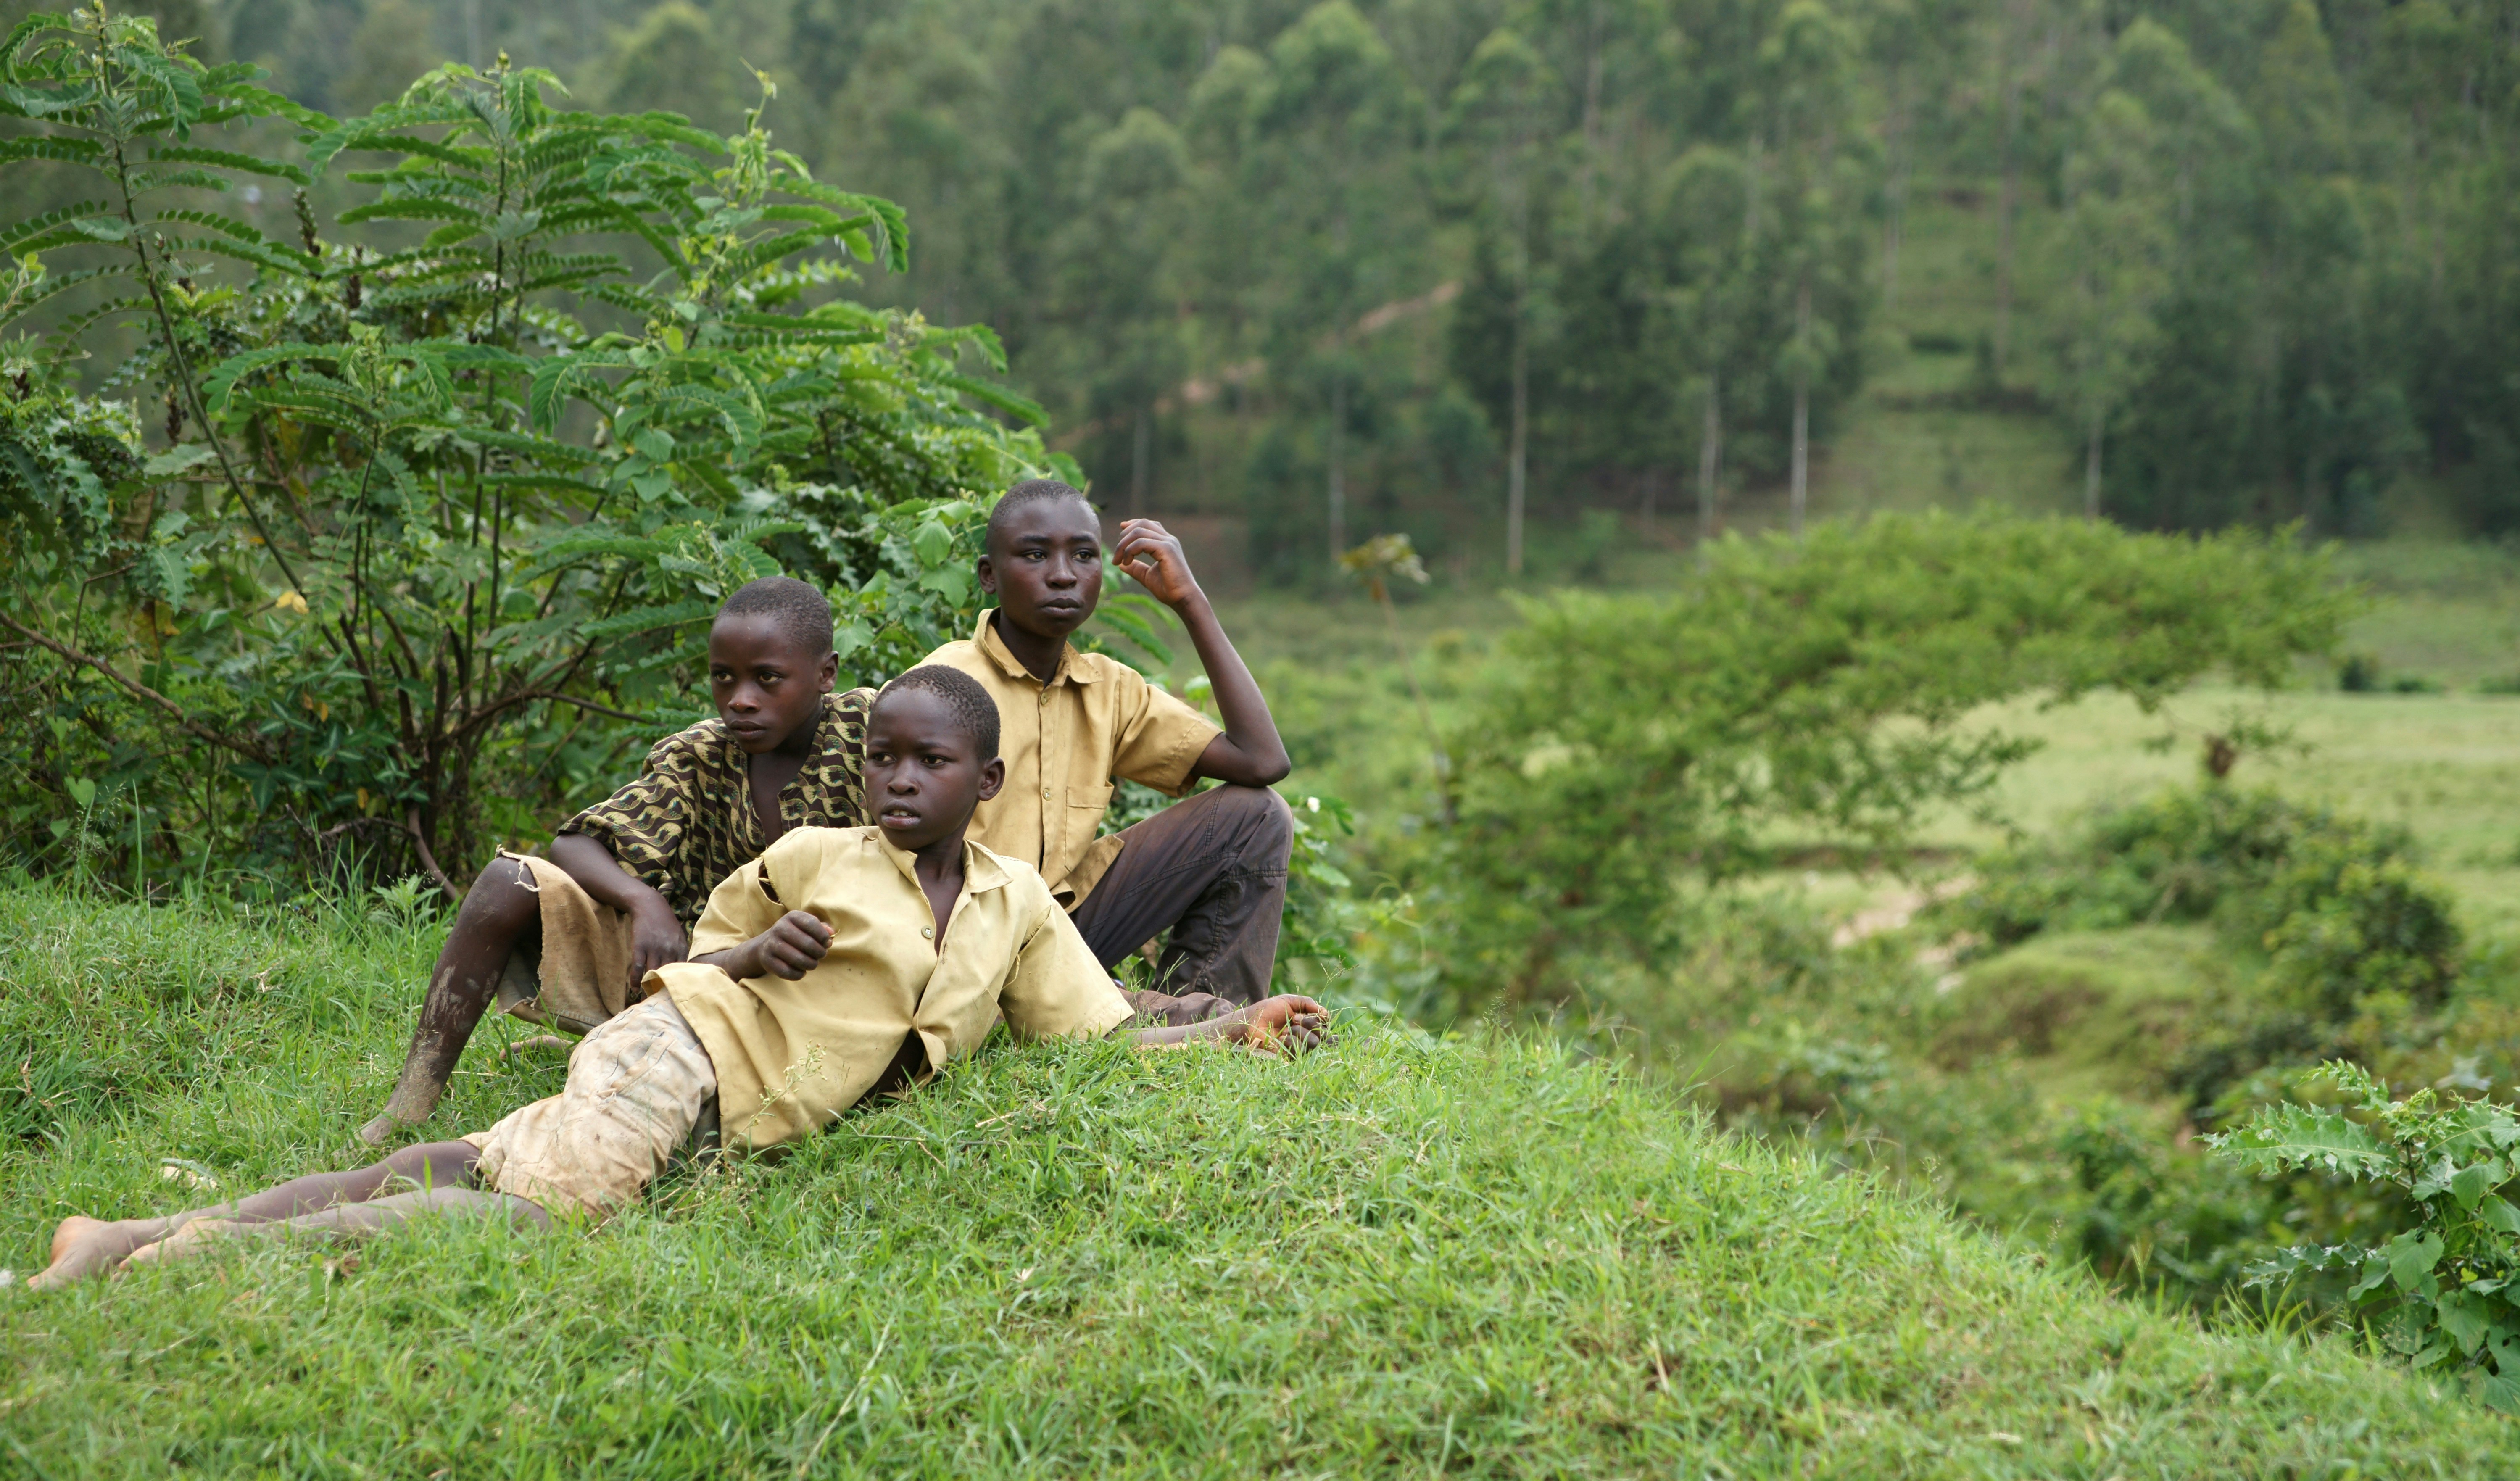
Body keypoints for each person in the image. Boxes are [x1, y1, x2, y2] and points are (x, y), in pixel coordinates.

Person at [26, 669, 1330, 1287]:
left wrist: (1232, 1032)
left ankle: (123, 1236)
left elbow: (1088, 1039)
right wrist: (743, 956)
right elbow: (705, 946)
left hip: (723, 1111)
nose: (896, 778)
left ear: (984, 784)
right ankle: (178, 1267)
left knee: (461, 1165)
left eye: (928, 762)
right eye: (882, 755)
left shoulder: (1013, 913)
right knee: (550, 1218)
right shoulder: (822, 850)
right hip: (683, 1051)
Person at [358, 576, 878, 1145]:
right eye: (723, 677)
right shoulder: (701, 755)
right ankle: (409, 1103)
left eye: (767, 679)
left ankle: (613, 1048)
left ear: (826, 674)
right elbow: (574, 843)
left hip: (829, 982)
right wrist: (643, 900)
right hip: (694, 975)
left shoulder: (868, 733)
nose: (740, 699)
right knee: (509, 880)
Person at [924, 480, 1295, 1016]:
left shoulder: (1109, 688)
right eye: (1034, 554)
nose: (1062, 574)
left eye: (1082, 555)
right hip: (972, 944)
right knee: (1104, 1006)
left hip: (1067, 926)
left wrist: (1191, 602)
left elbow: (1262, 761)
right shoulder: (941, 687)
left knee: (1257, 816)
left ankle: (1215, 1015)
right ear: (988, 575)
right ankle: (1201, 1024)